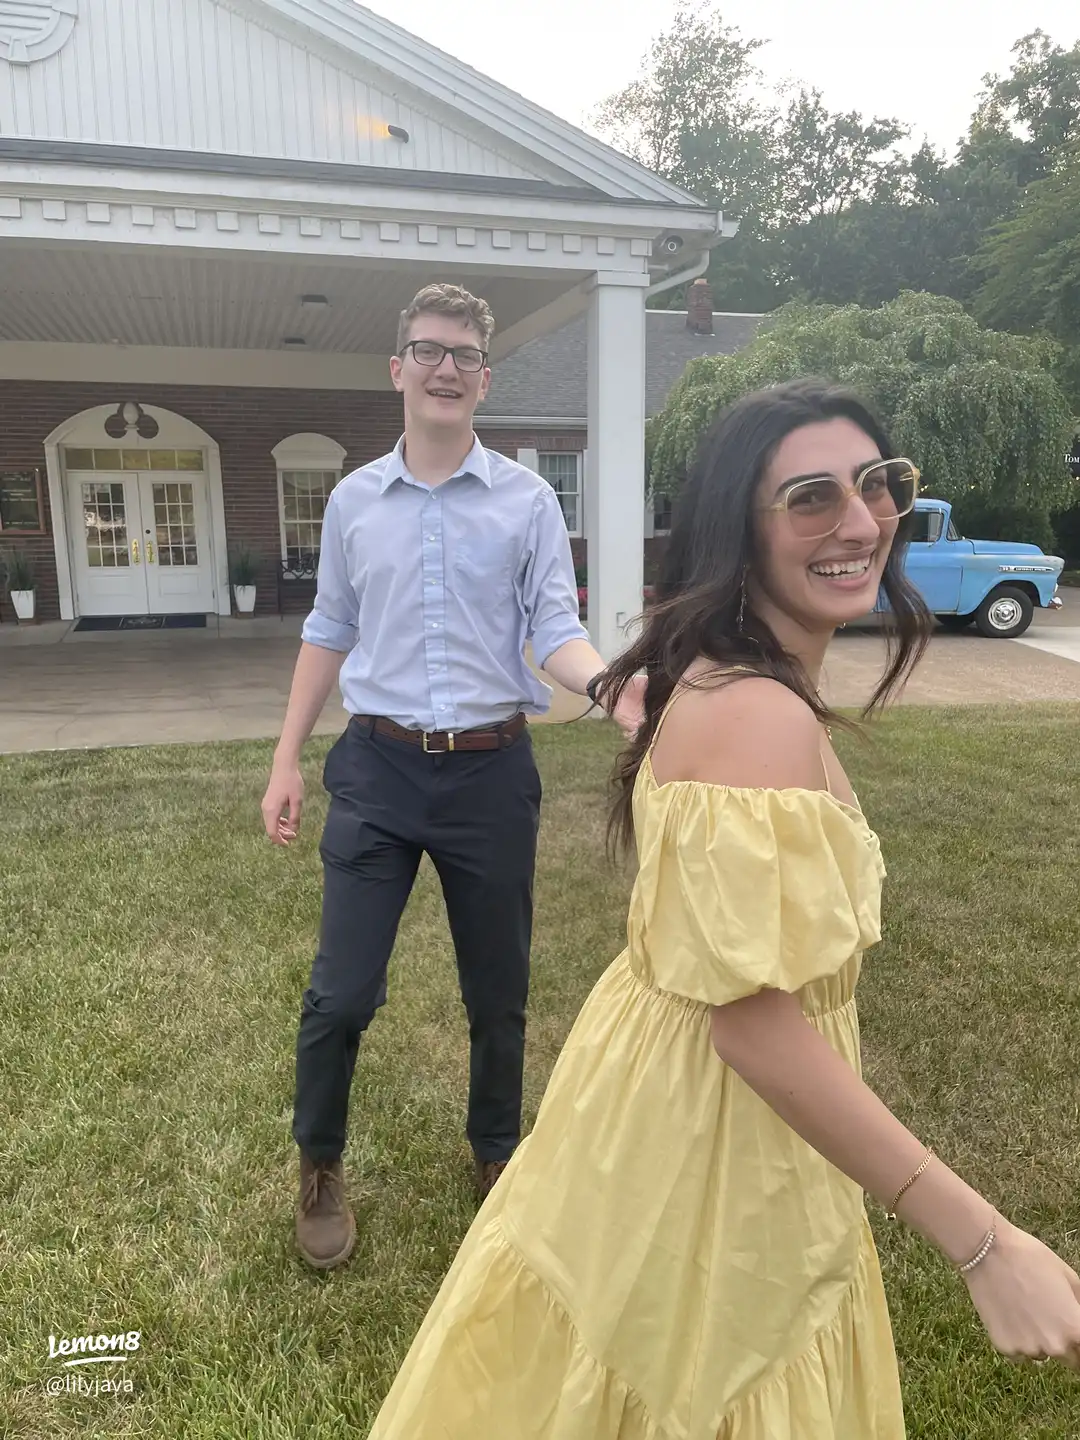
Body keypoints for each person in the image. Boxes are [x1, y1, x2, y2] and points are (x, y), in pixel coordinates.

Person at [366, 379, 1080, 1438]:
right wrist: (985, 1244)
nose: (859, 521)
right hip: (708, 1137)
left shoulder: (726, 679)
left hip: (661, 1098)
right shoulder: (755, 713)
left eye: (878, 483)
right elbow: (751, 1023)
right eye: (811, 497)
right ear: (737, 527)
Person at [261, 282, 643, 1270]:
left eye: (464, 355)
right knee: (342, 993)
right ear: (399, 370)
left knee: (498, 990)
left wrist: (610, 687)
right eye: (428, 350)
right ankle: (319, 1165)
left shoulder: (527, 503)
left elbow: (553, 627)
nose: (445, 368)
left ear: (484, 378)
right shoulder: (354, 501)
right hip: (377, 771)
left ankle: (496, 1152)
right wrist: (287, 757)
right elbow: (328, 629)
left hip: (490, 775)